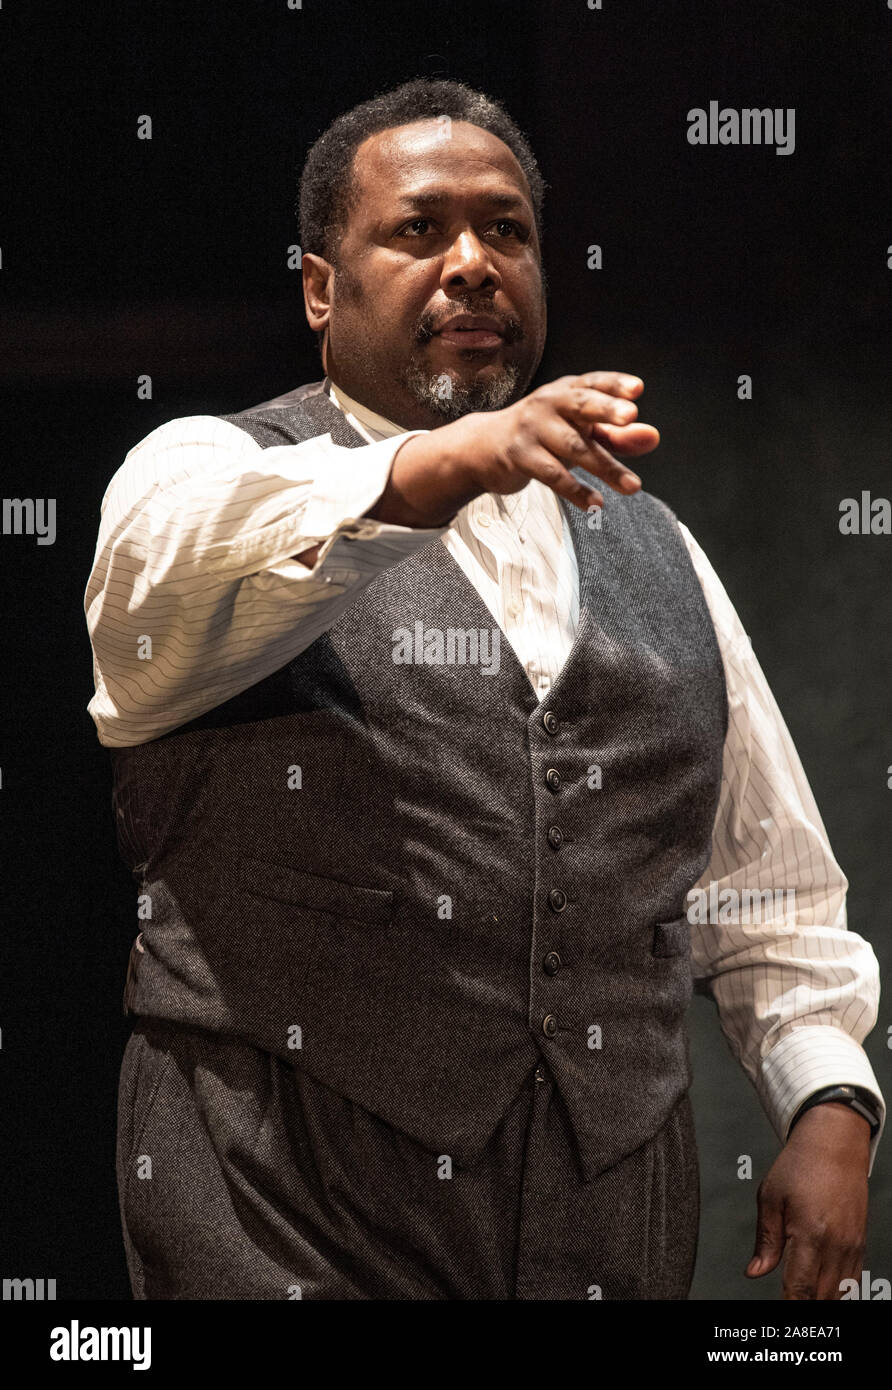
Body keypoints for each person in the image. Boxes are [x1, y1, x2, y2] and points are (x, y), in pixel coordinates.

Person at [84, 78, 883, 1301]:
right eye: (418, 231)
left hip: (603, 1203)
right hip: (288, 1196)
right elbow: (160, 578)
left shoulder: (654, 544)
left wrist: (828, 1097)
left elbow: (761, 880)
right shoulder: (213, 472)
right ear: (318, 287)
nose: (470, 262)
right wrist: (438, 463)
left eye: (505, 230)